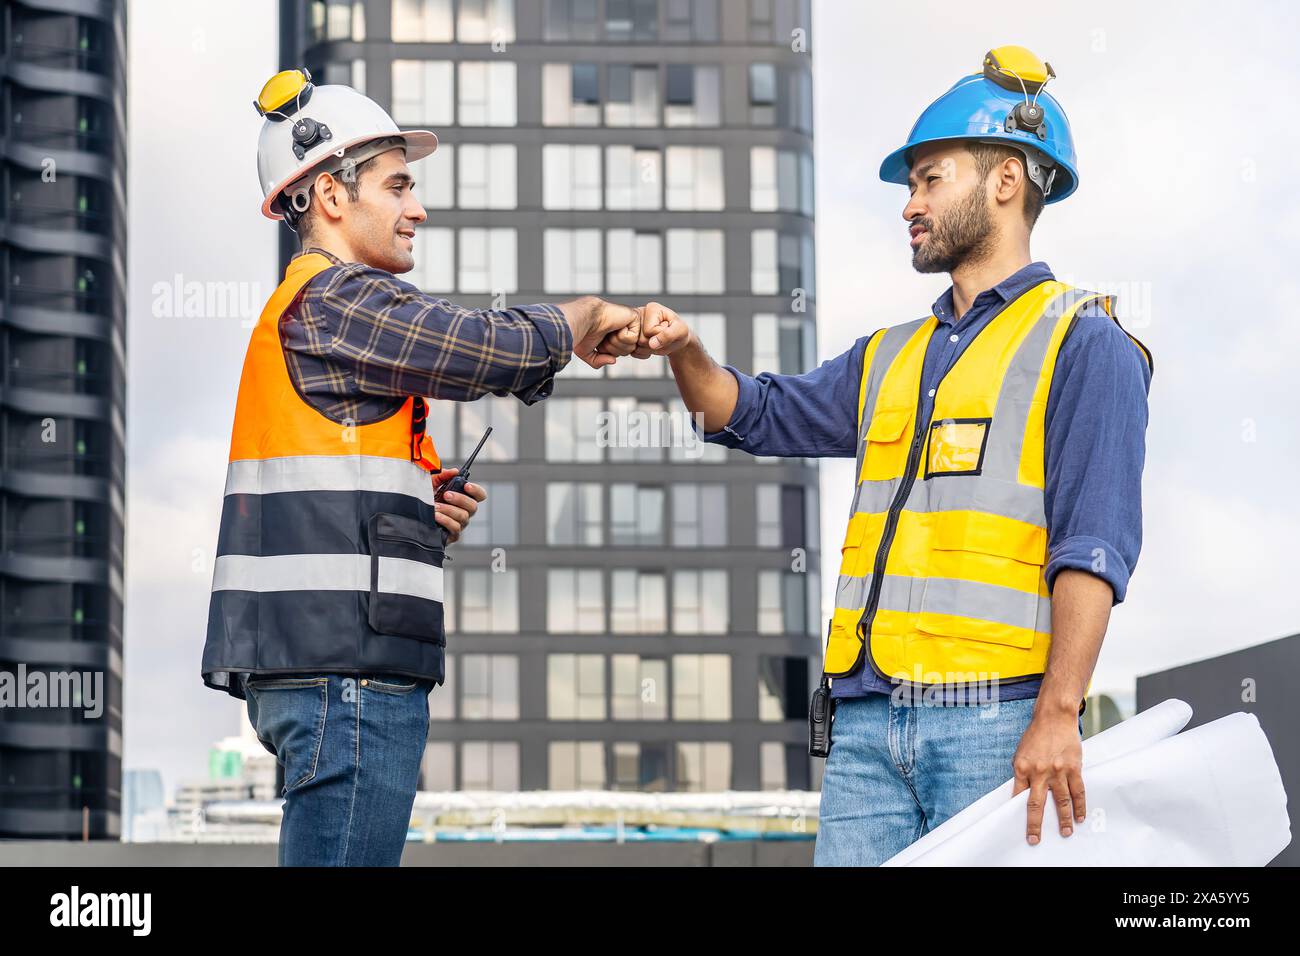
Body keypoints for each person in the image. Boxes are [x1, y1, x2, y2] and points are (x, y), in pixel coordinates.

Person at [615, 46, 1153, 865]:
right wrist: (684, 349)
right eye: (911, 184)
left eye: (929, 178)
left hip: (996, 724)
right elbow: (750, 413)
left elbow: (1094, 546)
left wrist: (1057, 713)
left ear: (1005, 180)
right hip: (864, 728)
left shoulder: (1085, 343)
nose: (910, 203)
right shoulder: (887, 358)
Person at [199, 68, 644, 866]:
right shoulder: (337, 300)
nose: (418, 207)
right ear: (331, 197)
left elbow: (329, 475)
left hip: (325, 663)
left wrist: (422, 509)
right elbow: (482, 349)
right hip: (347, 671)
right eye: (398, 185)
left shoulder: (319, 315)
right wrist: (580, 319)